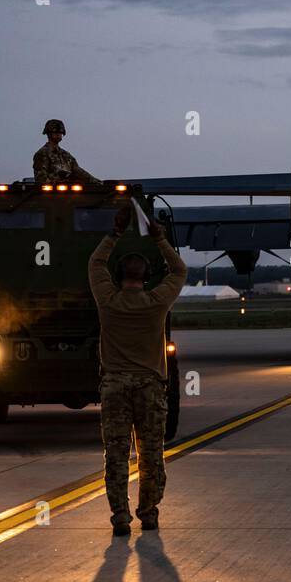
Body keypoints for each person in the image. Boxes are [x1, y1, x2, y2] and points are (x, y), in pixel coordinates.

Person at [87, 207, 187, 535]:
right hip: (150, 387)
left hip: (114, 386)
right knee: (151, 454)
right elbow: (178, 269)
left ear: (118, 277)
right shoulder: (157, 302)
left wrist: (113, 233)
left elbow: (95, 264)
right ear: (145, 278)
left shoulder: (108, 300)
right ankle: (149, 512)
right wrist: (159, 238)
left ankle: (120, 517)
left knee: (116, 455)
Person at [34, 118, 99, 184]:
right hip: (52, 193)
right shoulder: (42, 154)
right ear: (48, 134)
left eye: (60, 132)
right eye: (55, 132)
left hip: (70, 192)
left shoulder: (66, 155)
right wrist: (57, 181)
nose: (58, 134)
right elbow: (41, 179)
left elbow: (79, 172)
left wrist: (96, 182)